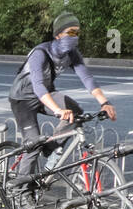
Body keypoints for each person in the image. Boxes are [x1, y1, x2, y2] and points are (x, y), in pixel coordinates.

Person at [8, 12, 116, 167]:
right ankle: (21, 190)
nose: (75, 36)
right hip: (22, 99)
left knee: (75, 111)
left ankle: (50, 148)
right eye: (71, 32)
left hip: (46, 94)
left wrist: (104, 102)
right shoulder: (40, 53)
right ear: (58, 35)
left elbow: (87, 78)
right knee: (32, 145)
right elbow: (38, 85)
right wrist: (58, 110)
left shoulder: (72, 54)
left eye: (77, 33)